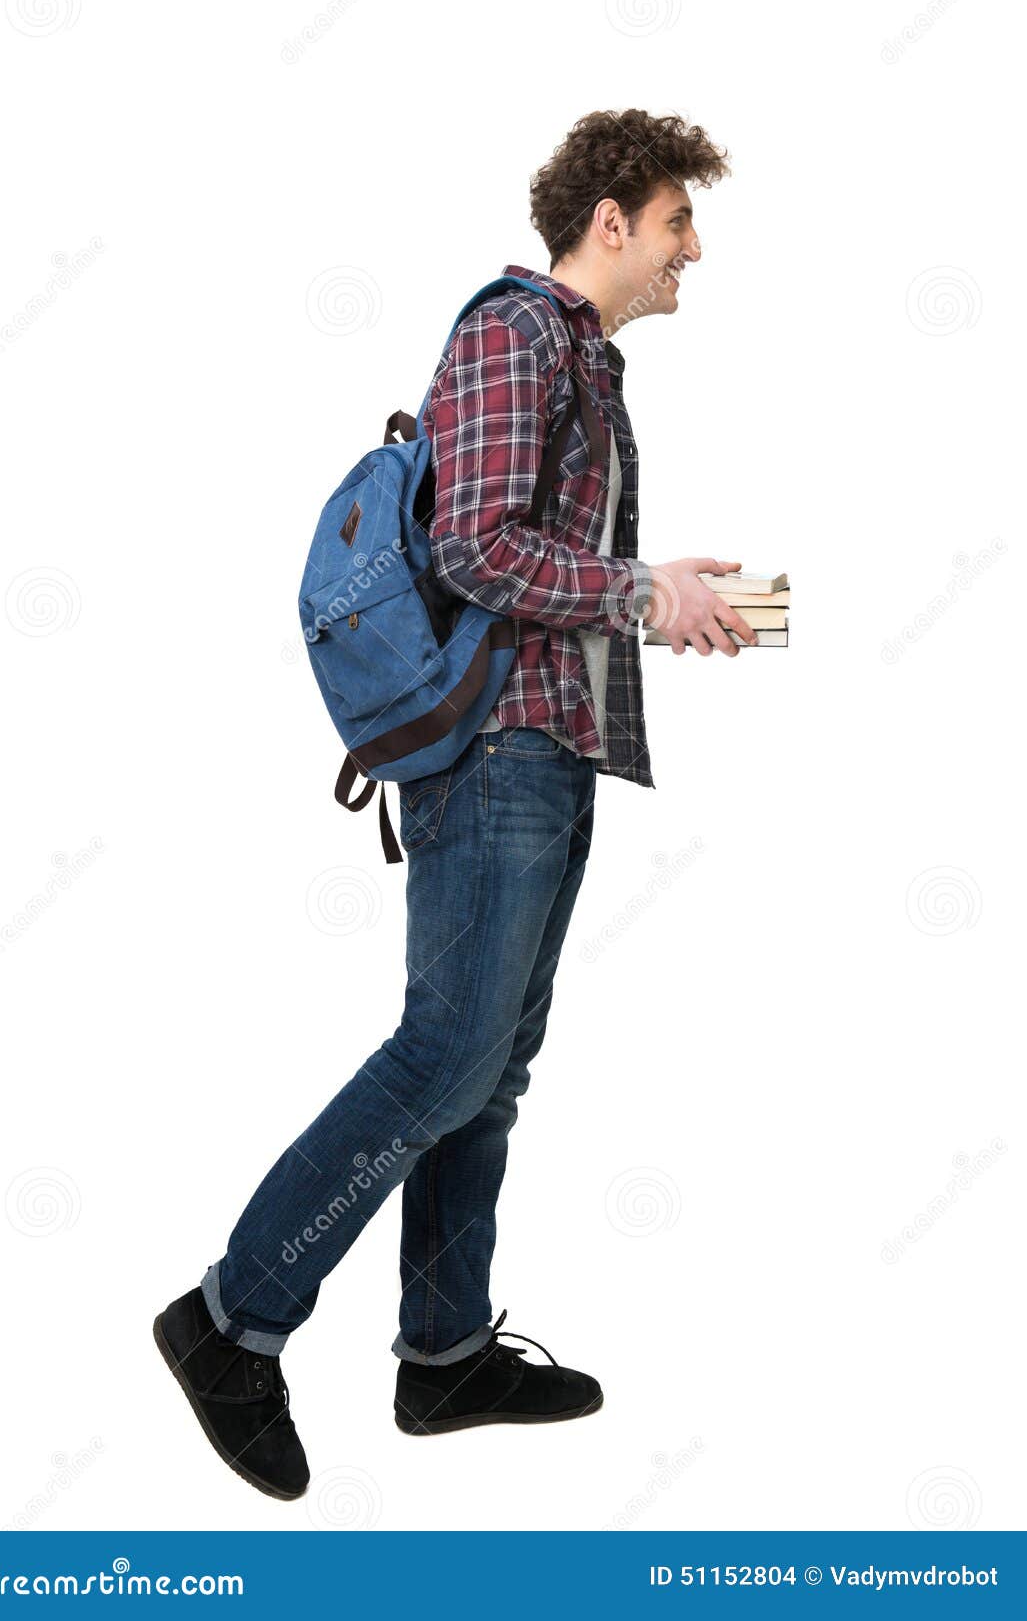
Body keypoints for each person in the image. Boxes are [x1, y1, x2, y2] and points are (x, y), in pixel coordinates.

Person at [154, 107, 757, 1501]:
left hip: (543, 750)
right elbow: (473, 545)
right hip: (493, 757)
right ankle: (231, 1318)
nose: (694, 250)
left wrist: (662, 593)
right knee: (444, 1055)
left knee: (494, 1064)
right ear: (611, 219)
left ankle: (443, 1353)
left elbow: (526, 552)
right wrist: (631, 588)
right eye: (678, 222)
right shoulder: (513, 334)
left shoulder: (584, 366)